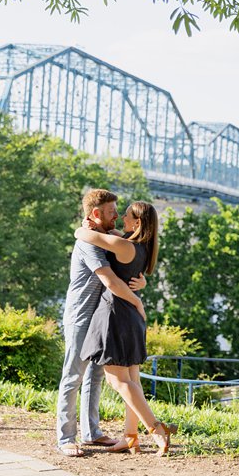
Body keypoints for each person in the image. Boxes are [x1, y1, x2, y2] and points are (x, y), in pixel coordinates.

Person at [76, 201, 177, 456]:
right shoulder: (141, 248)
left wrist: (85, 226)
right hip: (132, 318)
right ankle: (131, 437)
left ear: (138, 223)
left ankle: (156, 429)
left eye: (128, 216)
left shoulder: (122, 245)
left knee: (117, 380)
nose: (122, 218)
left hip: (115, 315)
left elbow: (82, 234)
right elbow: (115, 236)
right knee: (133, 381)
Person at [55, 189, 146, 457]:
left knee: (95, 376)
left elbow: (127, 250)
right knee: (73, 376)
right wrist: (137, 302)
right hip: (80, 317)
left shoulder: (103, 237)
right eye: (111, 212)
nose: (117, 216)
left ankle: (91, 432)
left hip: (101, 319)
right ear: (96, 214)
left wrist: (143, 281)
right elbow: (110, 280)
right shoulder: (89, 243)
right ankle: (65, 438)